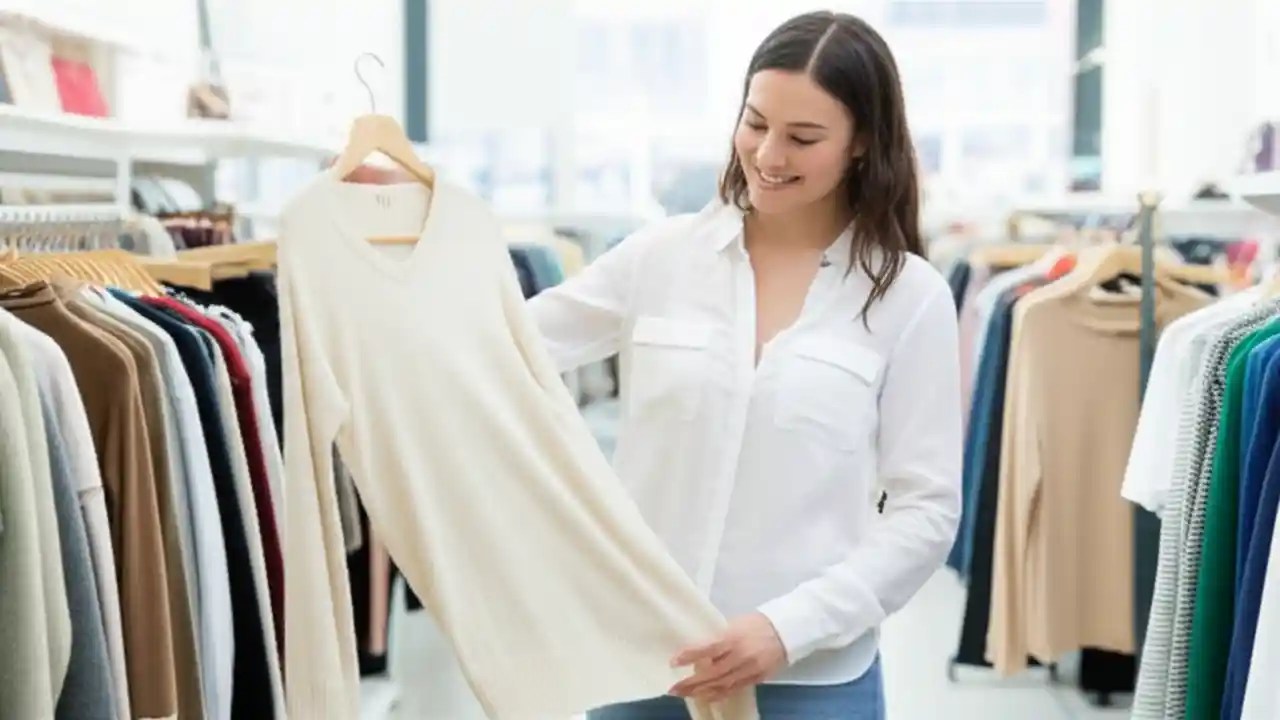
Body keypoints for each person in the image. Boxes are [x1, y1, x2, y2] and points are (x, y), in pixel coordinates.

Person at [344, 10, 961, 718]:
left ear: (862, 146)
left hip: (810, 676)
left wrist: (785, 629)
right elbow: (496, 348)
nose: (767, 156)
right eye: (756, 123)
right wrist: (382, 255)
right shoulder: (661, 258)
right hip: (638, 661)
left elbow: (926, 511)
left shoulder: (908, 298)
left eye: (803, 138)